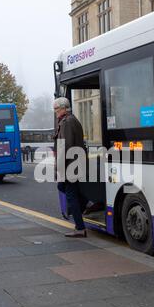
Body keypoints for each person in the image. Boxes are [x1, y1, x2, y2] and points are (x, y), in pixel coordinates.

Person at [54, 97, 98, 238]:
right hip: (75, 163)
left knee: (70, 194)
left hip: (70, 165)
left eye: (56, 109)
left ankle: (80, 228)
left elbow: (65, 147)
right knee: (63, 188)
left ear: (64, 108)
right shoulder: (71, 120)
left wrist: (59, 169)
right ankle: (87, 202)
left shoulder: (67, 122)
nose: (55, 112)